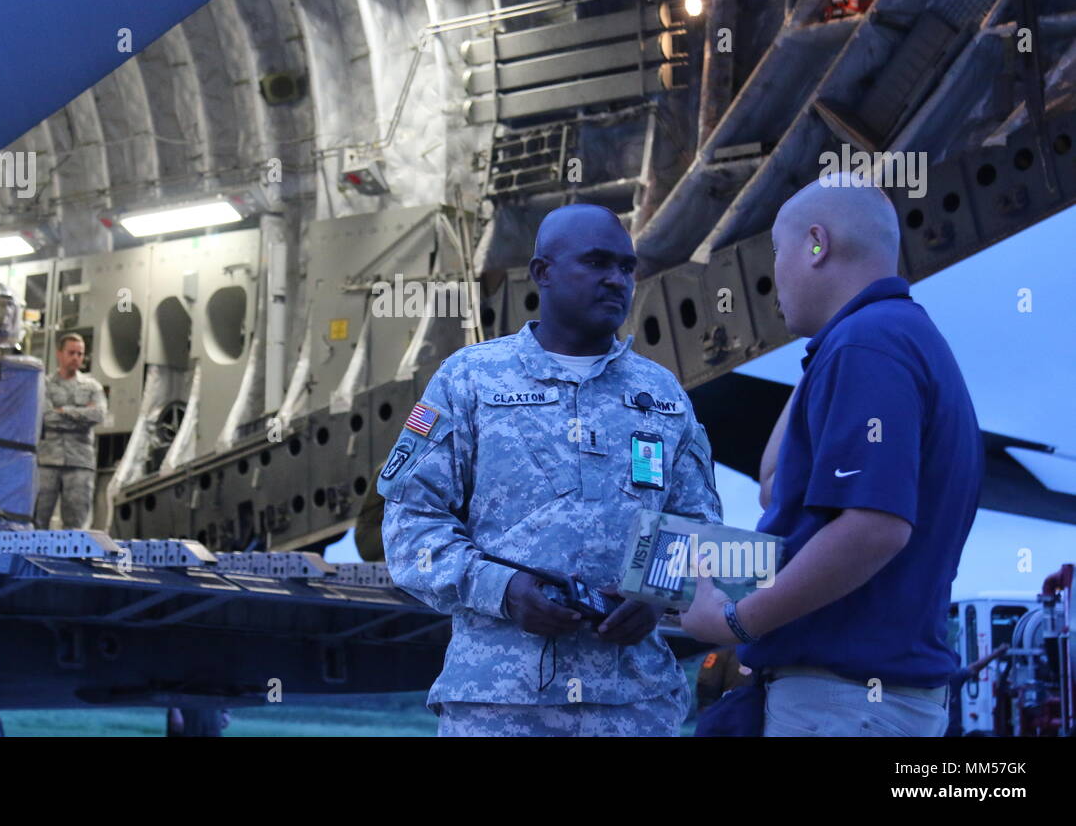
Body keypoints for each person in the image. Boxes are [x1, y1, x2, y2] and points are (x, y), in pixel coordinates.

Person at [379, 203, 722, 736]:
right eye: (596, 263)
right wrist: (504, 589)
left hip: (632, 706)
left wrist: (655, 596)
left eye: (626, 268)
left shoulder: (661, 393)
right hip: (500, 707)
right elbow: (410, 528)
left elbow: (696, 521)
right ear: (542, 272)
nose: (616, 280)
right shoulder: (470, 380)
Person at [681, 174, 984, 736]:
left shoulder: (870, 344)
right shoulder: (881, 339)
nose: (773, 278)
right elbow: (775, 484)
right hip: (864, 702)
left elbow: (874, 529)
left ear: (816, 244)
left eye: (777, 251)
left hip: (843, 706)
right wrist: (823, 345)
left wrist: (735, 621)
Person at [35, 333, 108, 529]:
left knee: (76, 524)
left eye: (80, 354)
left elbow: (99, 415)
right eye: (71, 353)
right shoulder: (44, 385)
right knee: (37, 520)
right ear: (60, 354)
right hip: (47, 461)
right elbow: (45, 417)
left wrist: (64, 411)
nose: (76, 358)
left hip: (80, 463)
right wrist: (81, 416)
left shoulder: (92, 387)